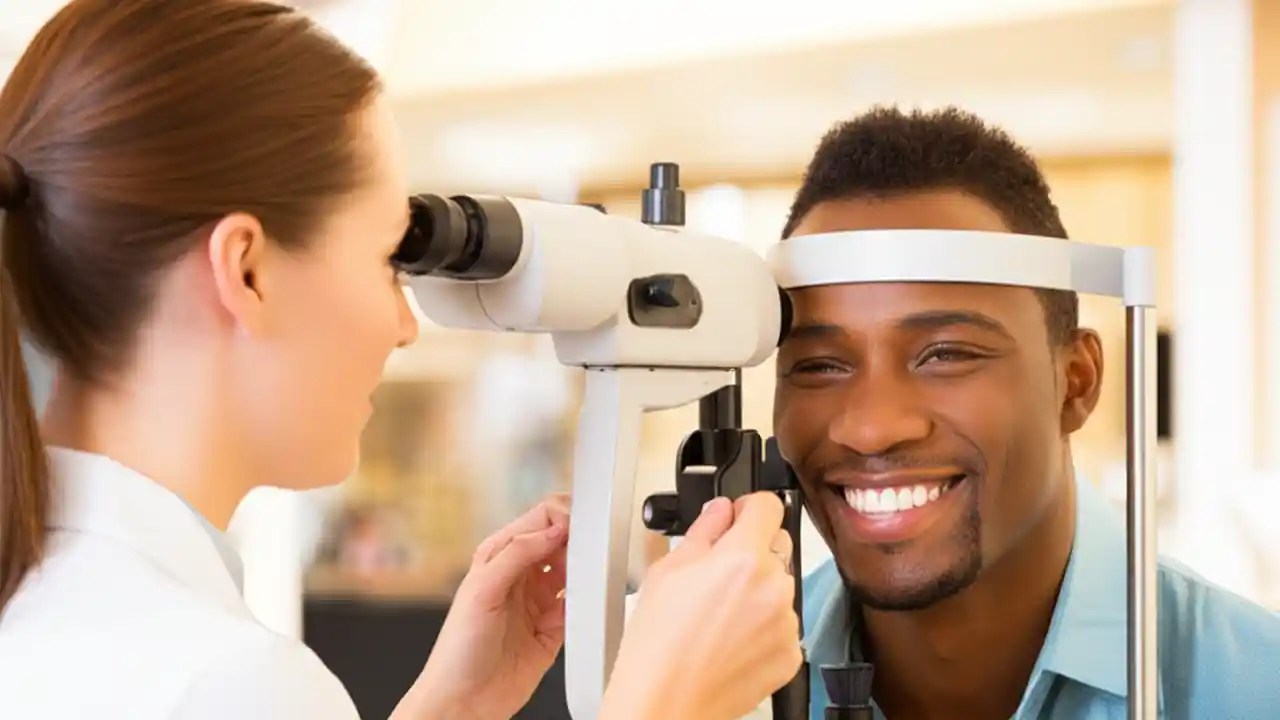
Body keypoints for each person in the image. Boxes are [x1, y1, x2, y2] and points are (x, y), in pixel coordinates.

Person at [0, 2, 802, 719]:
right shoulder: (224, 679)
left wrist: (454, 708)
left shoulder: (60, 613)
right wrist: (669, 700)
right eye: (388, 258)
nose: (403, 326)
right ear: (246, 270)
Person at [773, 106, 1280, 719]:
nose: (872, 426)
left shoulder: (1257, 685)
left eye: (947, 354)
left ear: (1076, 382)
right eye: (820, 365)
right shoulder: (720, 692)